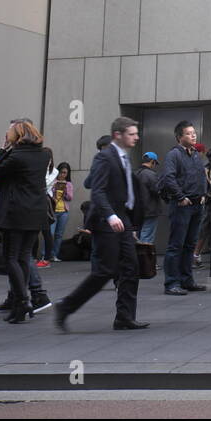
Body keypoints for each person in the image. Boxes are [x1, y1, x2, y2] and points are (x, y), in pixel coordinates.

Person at [54, 117, 149, 332]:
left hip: (122, 217)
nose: (136, 137)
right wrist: (111, 216)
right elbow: (97, 190)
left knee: (131, 267)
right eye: (132, 134)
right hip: (107, 219)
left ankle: (124, 317)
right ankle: (66, 306)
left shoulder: (123, 157)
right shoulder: (105, 157)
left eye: (136, 133)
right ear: (118, 135)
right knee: (105, 270)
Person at [0, 121, 53, 324]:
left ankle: (22, 301)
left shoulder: (16, 155)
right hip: (36, 211)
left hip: (16, 211)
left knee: (11, 257)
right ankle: (20, 301)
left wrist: (3, 148)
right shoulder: (44, 154)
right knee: (24, 256)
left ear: (16, 136)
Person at [159, 120, 210, 296]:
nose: (193, 135)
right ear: (179, 137)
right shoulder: (174, 155)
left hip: (197, 204)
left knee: (190, 245)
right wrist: (181, 197)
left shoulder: (195, 153)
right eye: (188, 133)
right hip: (182, 205)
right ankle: (171, 283)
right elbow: (168, 178)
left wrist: (204, 194)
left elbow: (201, 176)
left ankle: (187, 280)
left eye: (194, 132)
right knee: (176, 245)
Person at [131, 154, 160, 245]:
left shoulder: (135, 173)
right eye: (155, 163)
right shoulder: (150, 174)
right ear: (152, 161)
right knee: (147, 238)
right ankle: (144, 258)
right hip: (150, 210)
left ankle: (138, 258)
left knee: (138, 238)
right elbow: (157, 190)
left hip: (137, 211)